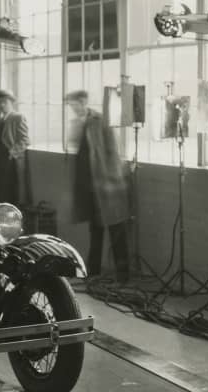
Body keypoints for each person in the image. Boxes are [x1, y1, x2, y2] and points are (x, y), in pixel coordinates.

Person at [65, 90, 131, 282]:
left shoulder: (100, 121)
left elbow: (112, 152)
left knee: (116, 230)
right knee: (95, 230)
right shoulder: (79, 123)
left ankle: (123, 276)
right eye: (70, 106)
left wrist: (111, 181)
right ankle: (93, 272)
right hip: (92, 188)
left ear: (84, 102)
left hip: (108, 187)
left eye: (75, 105)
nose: (73, 109)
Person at [0, 89, 30, 206]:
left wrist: (12, 152)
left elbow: (25, 140)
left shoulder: (18, 117)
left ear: (11, 103)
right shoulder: (2, 118)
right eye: (0, 102)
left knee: (10, 193)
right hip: (0, 160)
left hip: (11, 161)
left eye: (5, 102)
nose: (2, 105)